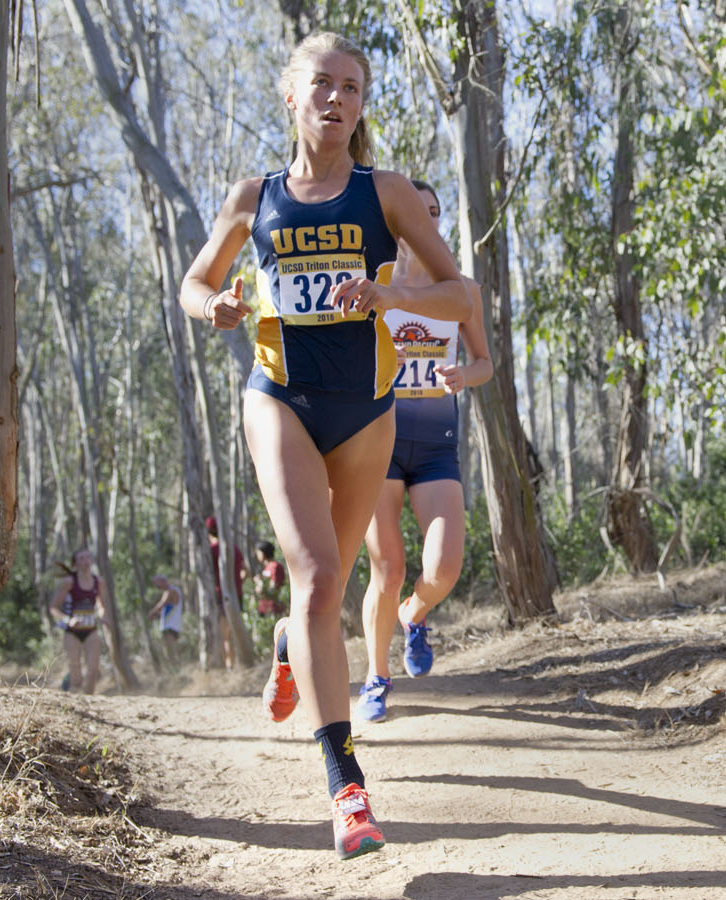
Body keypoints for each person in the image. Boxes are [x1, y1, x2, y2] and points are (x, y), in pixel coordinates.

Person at [178, 31, 471, 860]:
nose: (336, 98)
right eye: (321, 84)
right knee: (313, 577)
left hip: (367, 411)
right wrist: (216, 311)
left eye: (352, 86)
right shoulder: (254, 197)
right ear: (291, 96)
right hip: (281, 401)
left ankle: (285, 645)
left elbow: (458, 293)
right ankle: (347, 787)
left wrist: (384, 289)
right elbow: (194, 283)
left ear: (363, 104)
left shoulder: (387, 196)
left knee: (327, 589)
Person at [354, 180, 492, 723]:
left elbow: (485, 362)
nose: (426, 219)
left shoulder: (461, 290)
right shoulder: (373, 285)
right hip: (378, 444)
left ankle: (416, 613)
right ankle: (375, 678)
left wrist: (465, 374)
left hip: (437, 446)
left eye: (434, 213)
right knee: (386, 569)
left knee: (444, 567)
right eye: (417, 211)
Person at [48, 548, 111, 695]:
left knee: (93, 669)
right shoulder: (69, 582)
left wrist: (103, 616)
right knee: (76, 672)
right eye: (81, 558)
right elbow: (53, 608)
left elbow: (101, 604)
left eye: (88, 557)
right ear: (75, 563)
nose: (85, 561)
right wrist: (68, 620)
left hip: (91, 629)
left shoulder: (98, 581)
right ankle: (71, 694)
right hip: (72, 632)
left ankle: (89, 700)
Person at [206, 515, 245, 669]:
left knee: (225, 636)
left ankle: (230, 666)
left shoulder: (211, 550)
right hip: (238, 595)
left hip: (221, 595)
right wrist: (237, 583)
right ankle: (239, 663)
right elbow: (245, 570)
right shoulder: (233, 547)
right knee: (235, 631)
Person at [146, 574, 184, 662]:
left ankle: (175, 671)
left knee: (171, 651)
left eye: (158, 585)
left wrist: (151, 613)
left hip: (171, 627)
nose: (157, 588)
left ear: (164, 581)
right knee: (167, 651)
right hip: (168, 626)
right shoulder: (167, 592)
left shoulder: (172, 591)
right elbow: (166, 609)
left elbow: (161, 604)